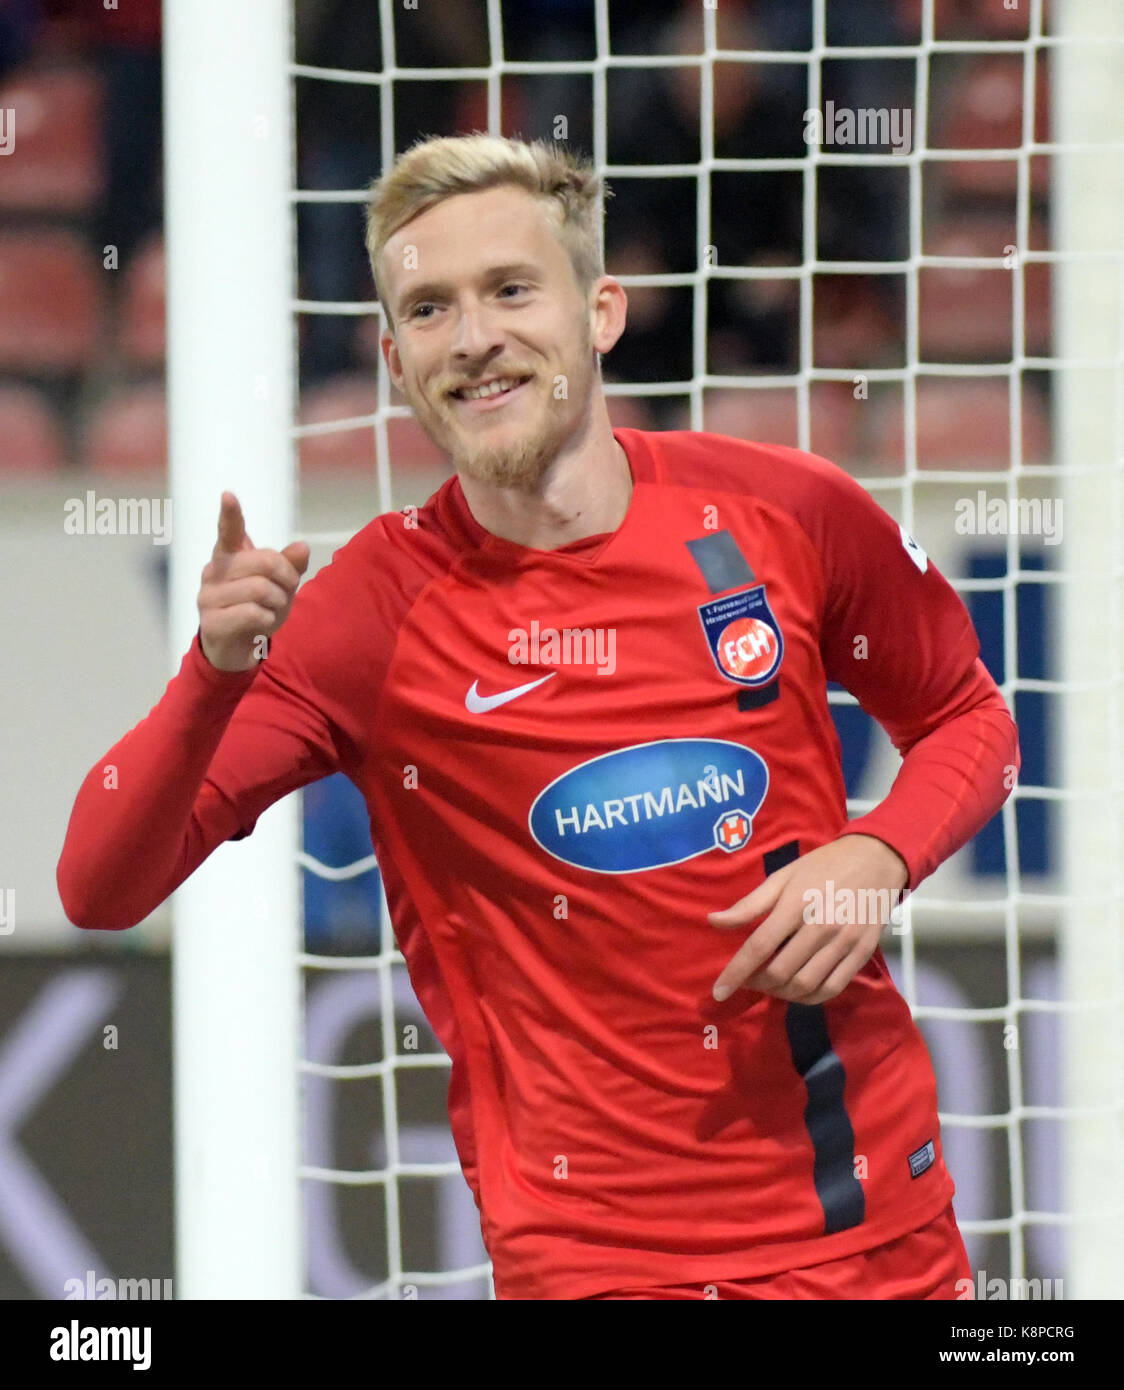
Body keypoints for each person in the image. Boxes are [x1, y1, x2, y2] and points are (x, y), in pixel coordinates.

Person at [57, 133, 1019, 1300]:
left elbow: (969, 718)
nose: (472, 338)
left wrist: (877, 852)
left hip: (868, 1229)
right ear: (393, 357)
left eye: (510, 289)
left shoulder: (785, 512)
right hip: (588, 1265)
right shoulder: (365, 615)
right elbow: (99, 887)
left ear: (600, 311)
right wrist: (210, 676)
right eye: (427, 309)